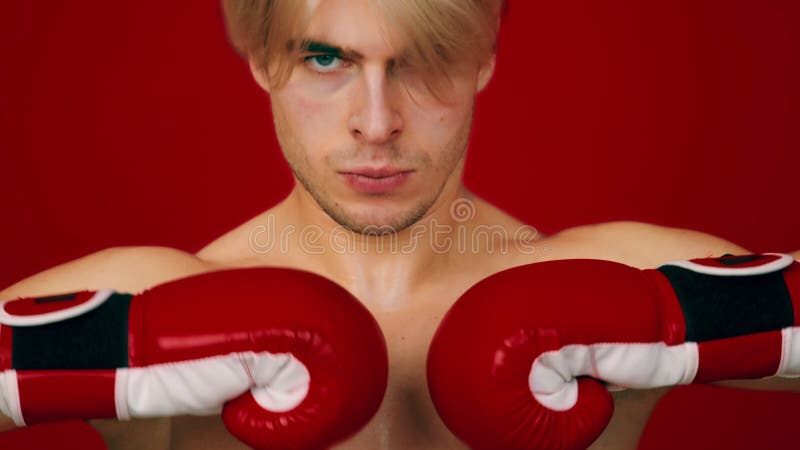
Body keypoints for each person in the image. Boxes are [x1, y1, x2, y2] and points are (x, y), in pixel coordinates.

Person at [1, 0, 798, 448]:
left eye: (420, 62)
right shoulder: (149, 303)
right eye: (327, 59)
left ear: (485, 57)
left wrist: (673, 321)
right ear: (262, 59)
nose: (376, 124)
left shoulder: (616, 282)